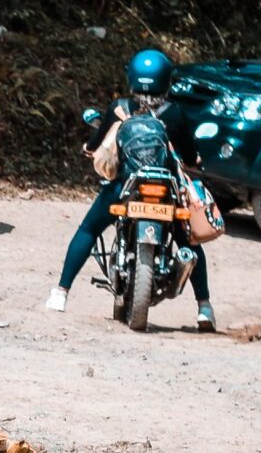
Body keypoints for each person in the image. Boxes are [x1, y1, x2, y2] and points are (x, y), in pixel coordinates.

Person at [51, 47, 217, 330]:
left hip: (125, 188)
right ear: (166, 80)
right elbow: (190, 157)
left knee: (89, 229)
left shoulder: (119, 108)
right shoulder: (174, 113)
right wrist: (195, 160)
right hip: (166, 192)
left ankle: (61, 293)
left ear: (132, 78)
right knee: (189, 242)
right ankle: (204, 308)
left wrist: (89, 148)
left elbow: (94, 145)